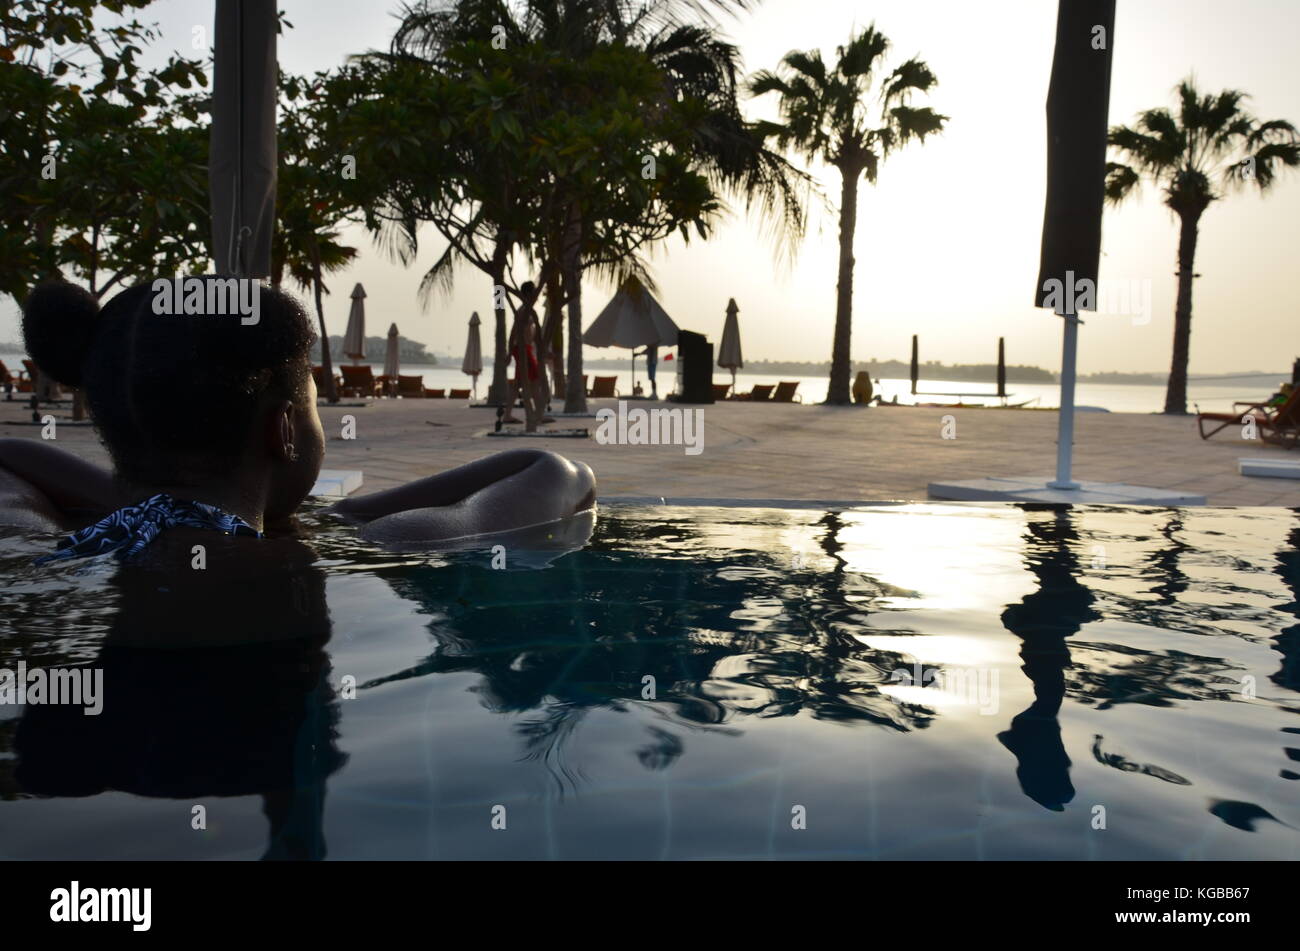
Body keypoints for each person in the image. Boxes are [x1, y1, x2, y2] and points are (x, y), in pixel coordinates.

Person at [0, 278, 595, 559]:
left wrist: (139, 498)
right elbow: (553, 471)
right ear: (283, 430)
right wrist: (347, 517)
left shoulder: (42, 541)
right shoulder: (380, 543)